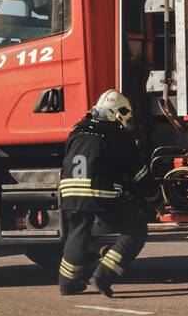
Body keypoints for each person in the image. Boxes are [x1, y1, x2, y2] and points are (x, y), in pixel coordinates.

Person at [57, 90, 162, 297]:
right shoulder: (118, 135)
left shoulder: (77, 129)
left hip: (69, 188)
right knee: (135, 229)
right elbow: (138, 173)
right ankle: (103, 275)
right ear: (119, 113)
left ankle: (67, 283)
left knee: (78, 230)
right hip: (99, 190)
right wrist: (155, 199)